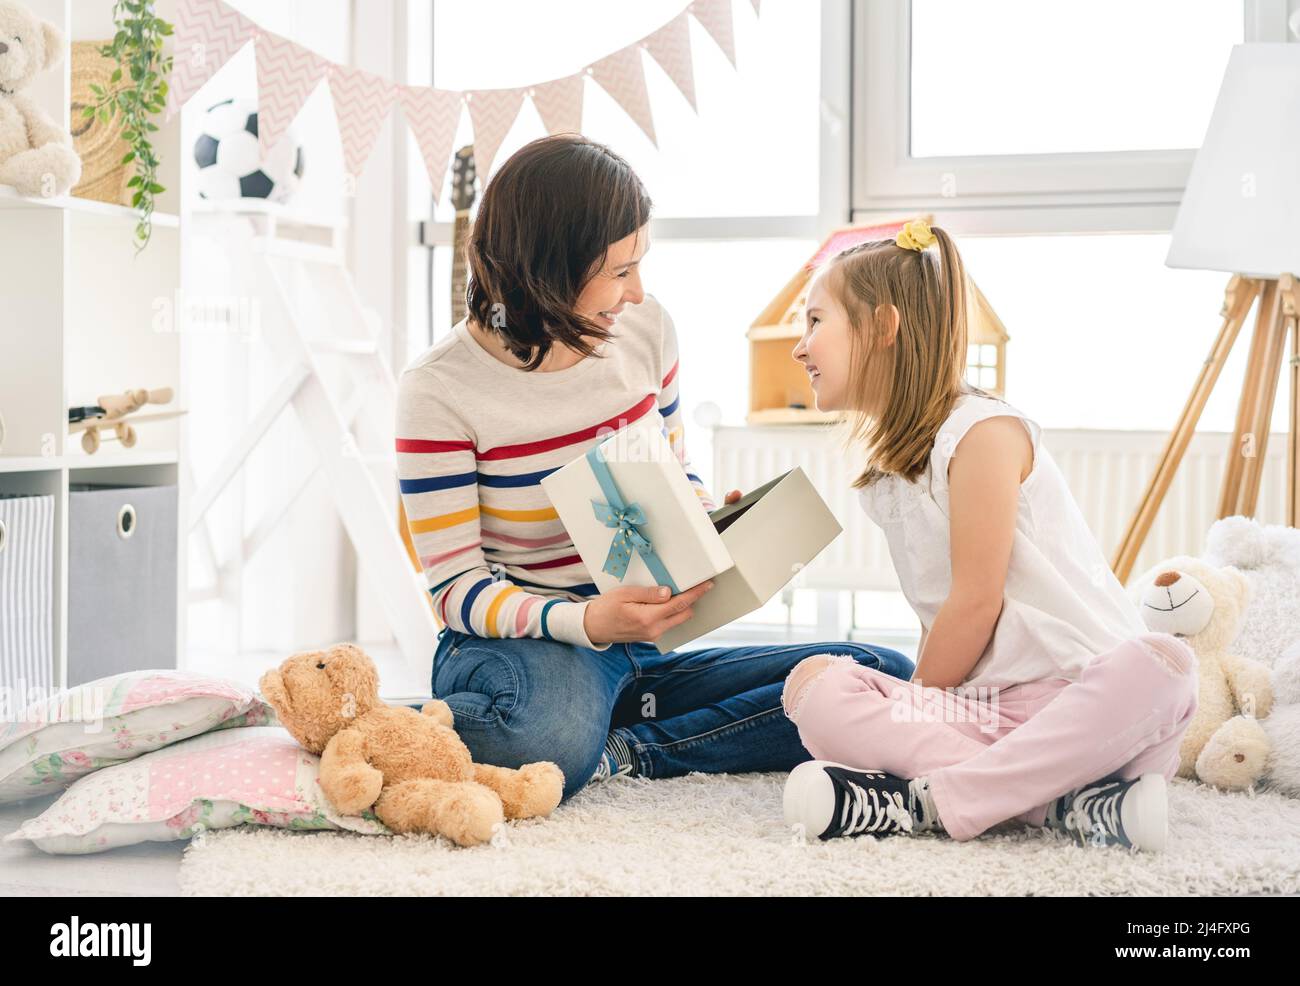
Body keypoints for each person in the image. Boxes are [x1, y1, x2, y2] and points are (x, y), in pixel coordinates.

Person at [395, 135, 914, 803]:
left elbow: (673, 466)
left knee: (876, 674)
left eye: (641, 265)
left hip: (640, 651)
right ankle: (386, 727)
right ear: (548, 268)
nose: (637, 292)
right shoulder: (439, 389)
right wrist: (585, 624)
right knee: (542, 738)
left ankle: (626, 747)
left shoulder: (646, 331)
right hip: (521, 647)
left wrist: (702, 514)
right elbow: (453, 589)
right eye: (619, 271)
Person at [779, 218, 1198, 851]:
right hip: (989, 718)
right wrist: (923, 708)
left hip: (1079, 706)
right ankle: (1060, 805)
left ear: (884, 327)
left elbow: (976, 601)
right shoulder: (892, 475)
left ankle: (931, 801)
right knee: (814, 685)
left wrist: (914, 710)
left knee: (1166, 665)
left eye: (815, 321)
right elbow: (937, 614)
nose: (799, 346)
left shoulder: (981, 434)